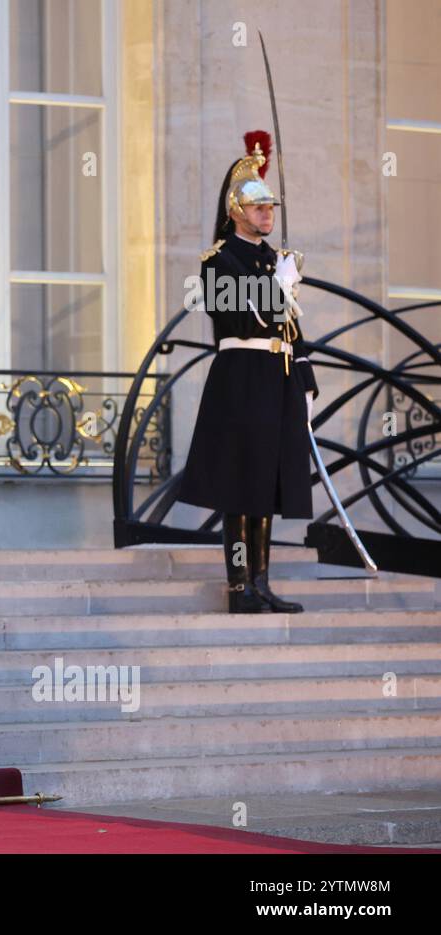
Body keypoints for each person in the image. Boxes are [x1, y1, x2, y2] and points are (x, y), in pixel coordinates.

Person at [179, 131, 318, 614]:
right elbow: (234, 316)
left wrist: (304, 377)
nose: (267, 214)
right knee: (239, 487)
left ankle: (262, 584)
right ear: (236, 209)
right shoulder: (218, 261)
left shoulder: (273, 261)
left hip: (276, 377)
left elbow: (292, 326)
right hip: (240, 376)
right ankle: (239, 588)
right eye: (258, 207)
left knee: (266, 485)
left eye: (270, 208)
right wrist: (275, 288)